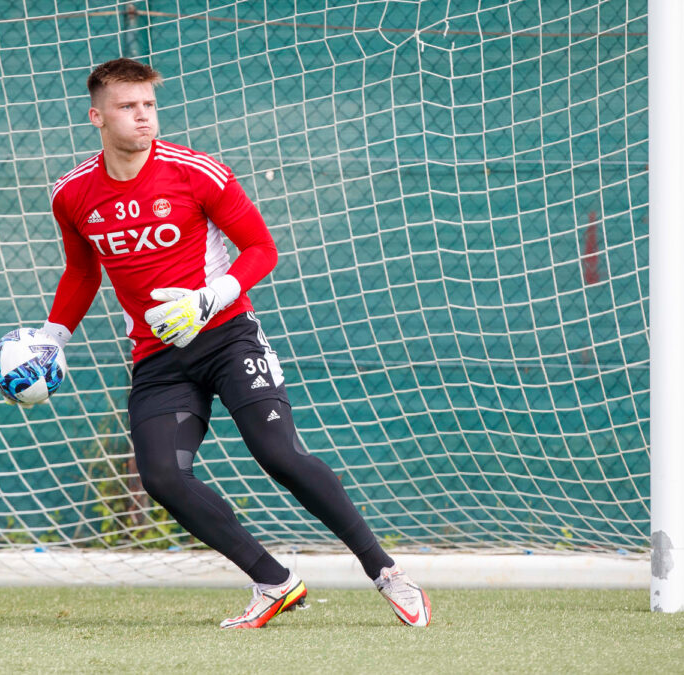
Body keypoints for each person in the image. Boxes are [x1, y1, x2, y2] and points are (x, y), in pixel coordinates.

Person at [37, 57, 430, 629]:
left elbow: (261, 250)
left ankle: (386, 571)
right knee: (163, 477)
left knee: (278, 454)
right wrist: (52, 338)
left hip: (227, 336)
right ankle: (273, 582)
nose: (143, 116)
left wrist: (208, 297)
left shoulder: (198, 172)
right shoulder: (72, 193)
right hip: (157, 356)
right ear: (96, 115)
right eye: (127, 106)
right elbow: (81, 273)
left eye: (149, 104)